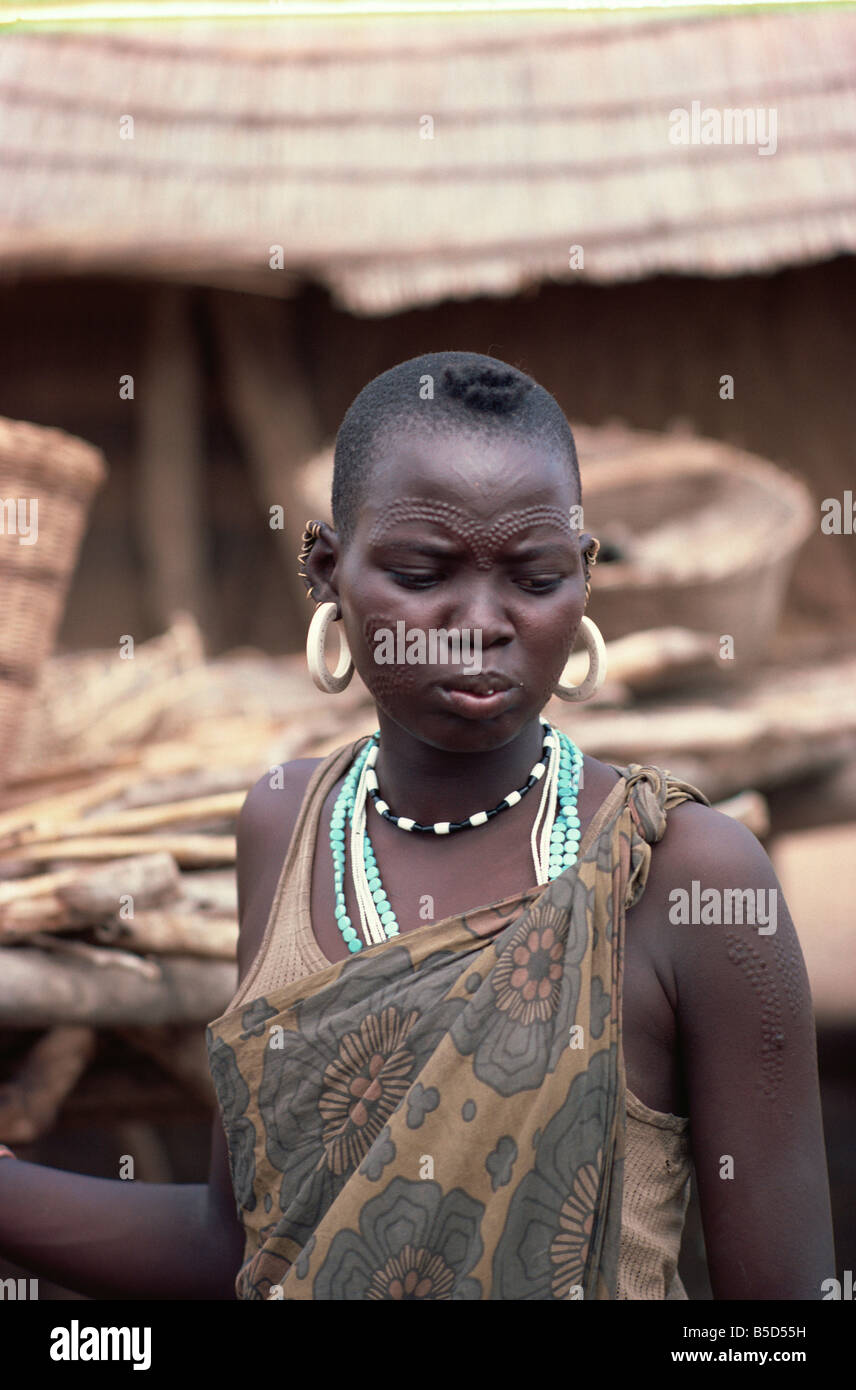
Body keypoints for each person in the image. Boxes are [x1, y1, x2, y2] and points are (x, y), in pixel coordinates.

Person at [0, 352, 834, 1301]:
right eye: (420, 571)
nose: (478, 622)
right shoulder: (285, 826)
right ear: (326, 570)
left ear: (586, 578)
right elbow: (240, 1246)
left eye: (535, 577)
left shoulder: (682, 875)